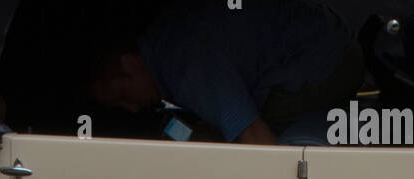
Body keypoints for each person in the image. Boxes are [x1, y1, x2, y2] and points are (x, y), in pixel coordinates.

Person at [88, 0, 365, 145]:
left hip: (327, 61)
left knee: (240, 146)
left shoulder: (184, 63)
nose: (133, 109)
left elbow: (259, 143)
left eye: (123, 96)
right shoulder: (168, 36)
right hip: (332, 37)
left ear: (130, 63)